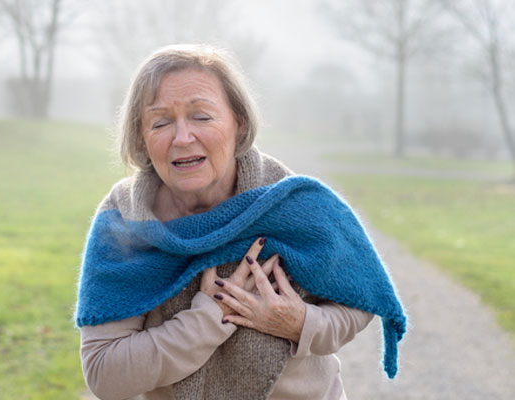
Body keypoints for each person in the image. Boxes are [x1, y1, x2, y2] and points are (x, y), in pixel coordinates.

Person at [74, 44, 406, 400]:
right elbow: (105, 374)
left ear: (239, 122)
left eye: (202, 116)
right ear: (142, 137)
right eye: (161, 122)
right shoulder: (125, 221)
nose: (182, 137)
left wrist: (300, 323)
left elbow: (355, 304)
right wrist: (208, 318)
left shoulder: (290, 204)